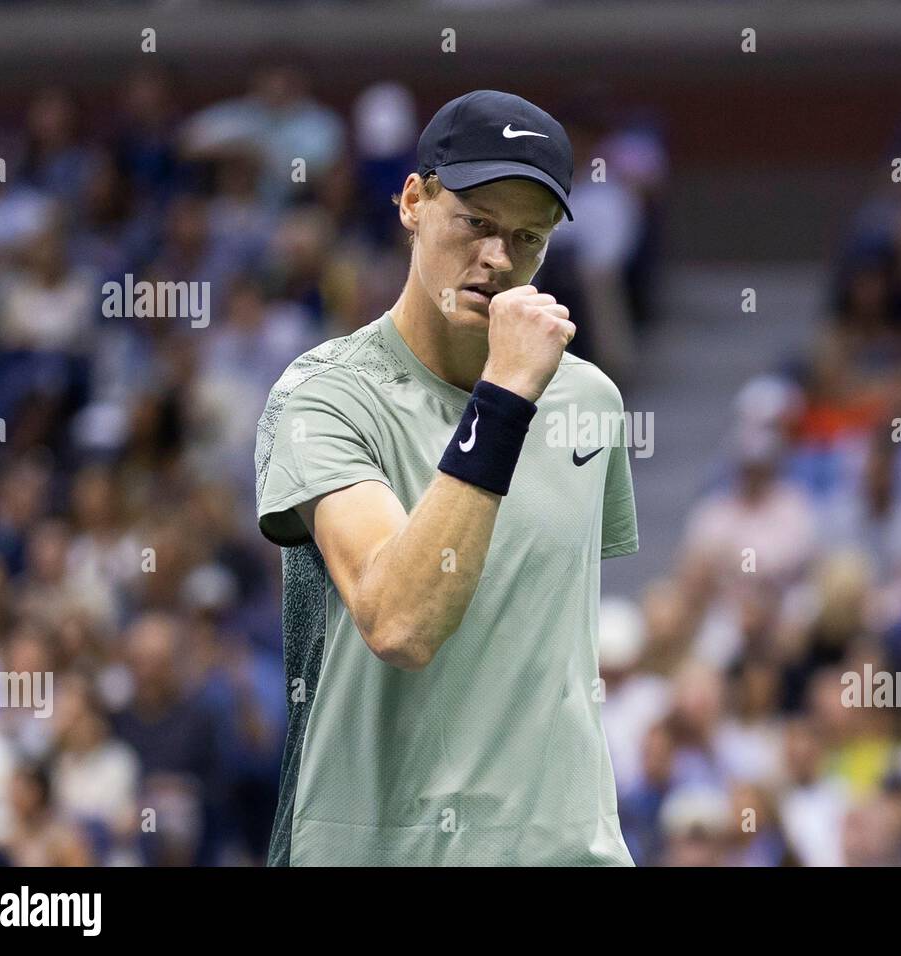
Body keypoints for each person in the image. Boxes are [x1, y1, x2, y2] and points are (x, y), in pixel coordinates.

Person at [254, 90, 639, 866]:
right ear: (412, 201)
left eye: (527, 237)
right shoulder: (323, 394)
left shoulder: (590, 402)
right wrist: (502, 400)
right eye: (476, 223)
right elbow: (400, 625)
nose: (498, 259)